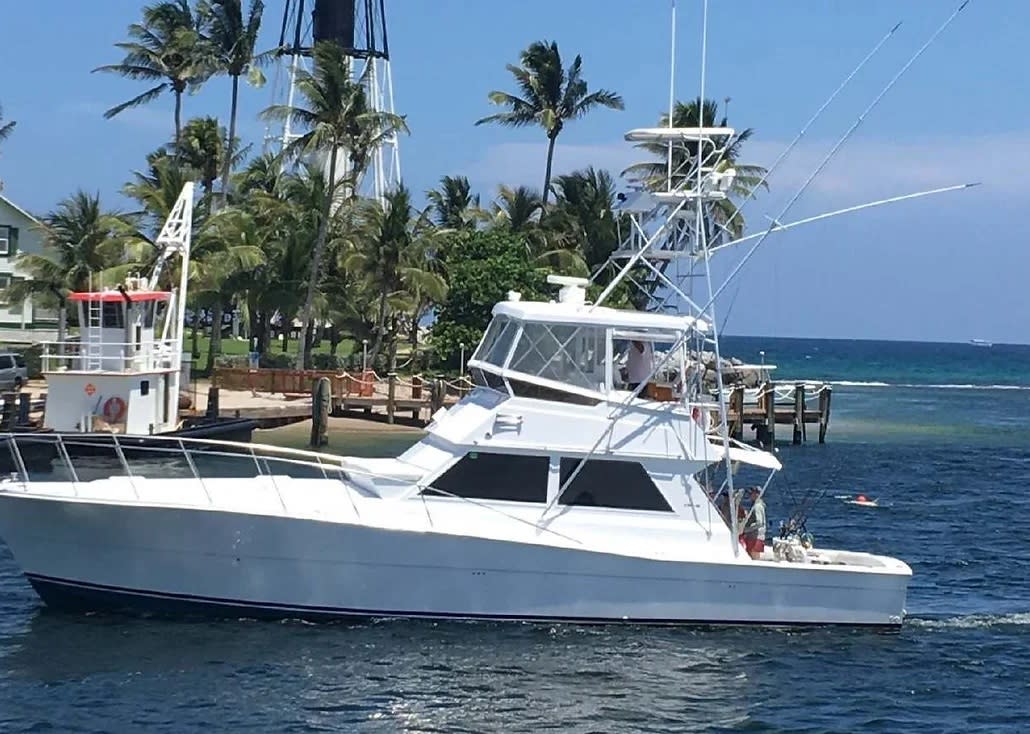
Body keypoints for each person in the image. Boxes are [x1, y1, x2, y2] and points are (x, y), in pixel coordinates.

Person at [743, 486, 767, 559]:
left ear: (757, 494)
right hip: (753, 537)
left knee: (754, 559)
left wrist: (746, 529)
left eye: (752, 493)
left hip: (755, 537)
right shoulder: (756, 505)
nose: (750, 495)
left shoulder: (757, 506)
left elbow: (759, 523)